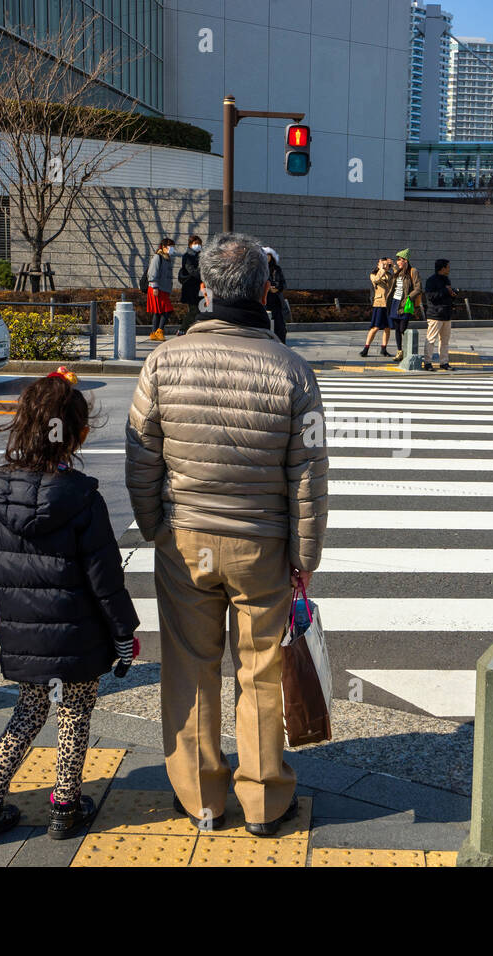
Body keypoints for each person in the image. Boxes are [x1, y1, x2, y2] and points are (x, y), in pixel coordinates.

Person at [125, 232, 328, 837]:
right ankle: (265, 801)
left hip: (186, 538)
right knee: (261, 670)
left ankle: (202, 799)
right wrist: (304, 555)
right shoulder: (294, 370)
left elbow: (142, 460)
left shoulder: (162, 363)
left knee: (189, 667)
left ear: (204, 290)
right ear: (266, 291)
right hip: (260, 543)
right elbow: (309, 473)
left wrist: (156, 527)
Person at [0, 370, 138, 848]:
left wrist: (1, 576)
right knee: (75, 713)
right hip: (78, 635)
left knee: (28, 711)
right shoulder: (82, 497)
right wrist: (124, 634)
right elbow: (105, 580)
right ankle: (64, 804)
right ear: (77, 434)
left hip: (22, 630)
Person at [423, 258, 457, 370]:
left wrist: (453, 294)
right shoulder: (431, 281)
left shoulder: (446, 280)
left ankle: (444, 362)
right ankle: (427, 362)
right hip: (435, 315)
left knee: (445, 341)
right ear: (442, 268)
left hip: (446, 314)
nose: (449, 269)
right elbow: (430, 297)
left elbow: (447, 294)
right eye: (448, 267)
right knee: (431, 339)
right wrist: (445, 291)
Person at [388, 250, 422, 359]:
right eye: (397, 260)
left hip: (405, 303)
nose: (398, 262)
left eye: (399, 260)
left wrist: (409, 297)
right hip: (395, 302)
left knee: (403, 328)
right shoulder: (397, 272)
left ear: (405, 261)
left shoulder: (413, 271)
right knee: (397, 329)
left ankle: (409, 348)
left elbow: (418, 288)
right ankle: (400, 351)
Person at [362, 256, 395, 357]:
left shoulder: (390, 275)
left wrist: (393, 266)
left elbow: (397, 279)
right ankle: (366, 348)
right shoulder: (374, 274)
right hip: (379, 303)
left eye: (387, 265)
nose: (386, 266)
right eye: (384, 264)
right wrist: (381, 269)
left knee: (387, 327)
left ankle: (383, 349)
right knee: (375, 327)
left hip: (389, 304)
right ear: (378, 264)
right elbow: (376, 280)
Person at [146, 238, 176, 341]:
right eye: (170, 247)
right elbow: (152, 272)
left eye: (172, 246)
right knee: (167, 310)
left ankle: (154, 333)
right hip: (157, 288)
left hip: (163, 288)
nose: (172, 249)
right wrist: (154, 286)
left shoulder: (167, 258)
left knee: (158, 312)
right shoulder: (157, 257)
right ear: (163, 247)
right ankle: (159, 330)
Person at [176, 235, 203, 333]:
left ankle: (193, 329)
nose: (198, 246)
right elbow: (192, 271)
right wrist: (202, 272)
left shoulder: (200, 256)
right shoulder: (187, 256)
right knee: (194, 310)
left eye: (199, 244)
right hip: (190, 287)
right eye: (196, 244)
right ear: (190, 244)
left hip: (199, 288)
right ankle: (182, 329)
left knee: (200, 310)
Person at [263, 246, 289, 344]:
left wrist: (277, 288)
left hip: (276, 301)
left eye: (268, 256)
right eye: (265, 256)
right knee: (265, 326)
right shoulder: (259, 269)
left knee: (280, 327)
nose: (267, 258)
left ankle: (282, 347)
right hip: (264, 300)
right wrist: (267, 287)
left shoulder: (277, 269)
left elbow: (283, 283)